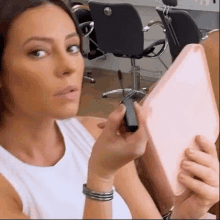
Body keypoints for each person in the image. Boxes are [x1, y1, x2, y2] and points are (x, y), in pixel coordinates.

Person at [0, 0, 219, 219]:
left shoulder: (95, 134)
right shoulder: (7, 187)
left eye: (72, 47)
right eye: (38, 52)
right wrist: (100, 177)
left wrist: (186, 213)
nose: (68, 65)